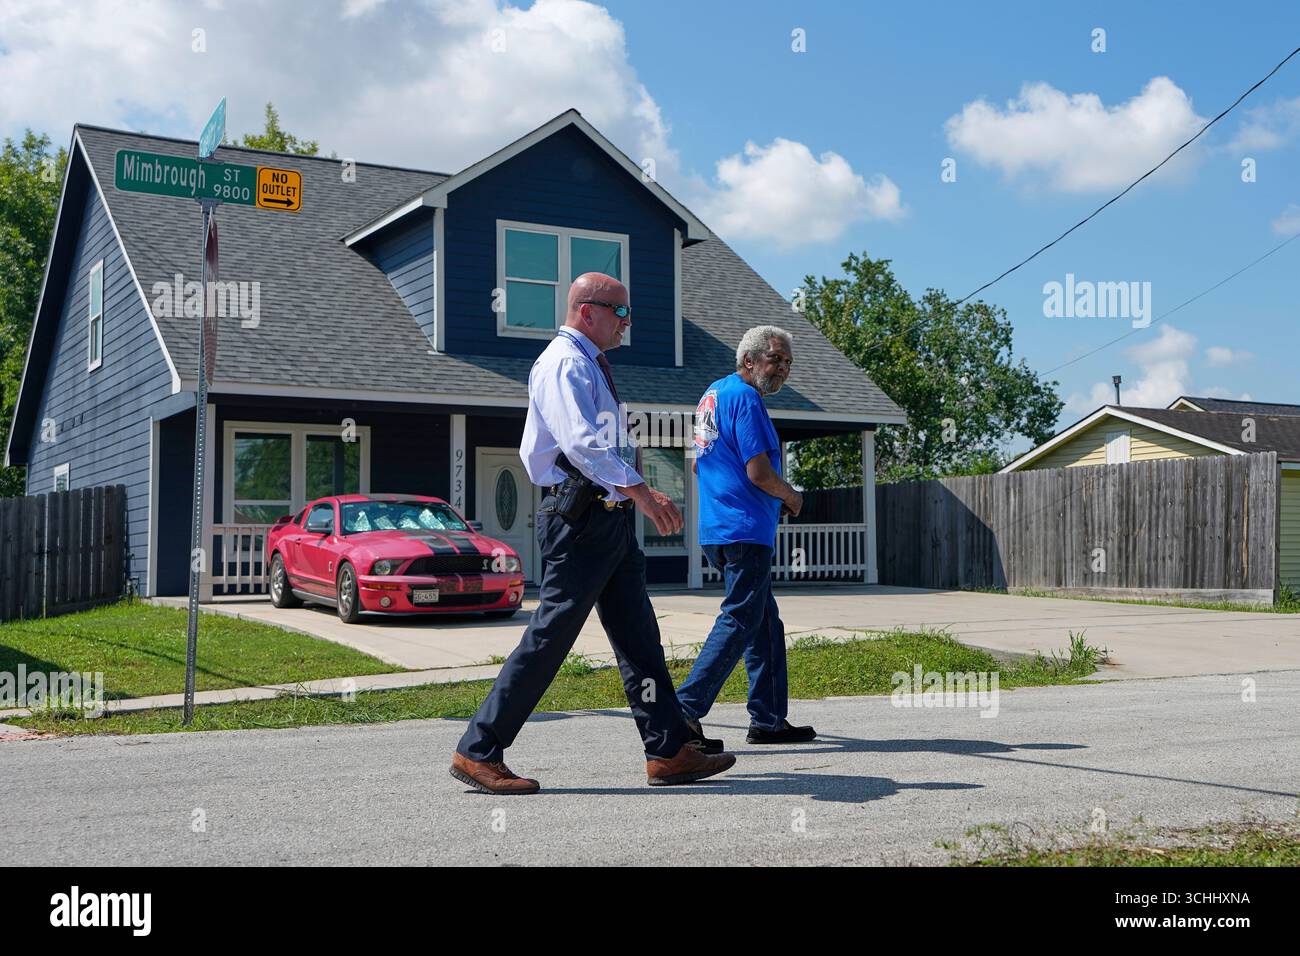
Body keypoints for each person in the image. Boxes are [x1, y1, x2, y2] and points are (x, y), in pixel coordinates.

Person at [450, 273, 737, 794]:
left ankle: (668, 750)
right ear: (588, 312)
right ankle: (479, 748)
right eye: (621, 312)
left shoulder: (590, 366)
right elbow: (582, 444)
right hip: (579, 519)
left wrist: (633, 475)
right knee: (551, 635)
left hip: (607, 518)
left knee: (639, 637)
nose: (629, 323)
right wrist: (643, 494)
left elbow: (605, 441)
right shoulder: (563, 363)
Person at [676, 326, 817, 751]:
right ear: (749, 360)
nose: (783, 370)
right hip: (744, 531)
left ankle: (769, 720)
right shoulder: (746, 397)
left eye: (788, 363)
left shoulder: (711, 396)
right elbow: (759, 472)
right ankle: (683, 710)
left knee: (764, 623)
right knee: (739, 618)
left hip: (718, 528)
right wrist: (791, 496)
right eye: (776, 359)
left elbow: (701, 466)